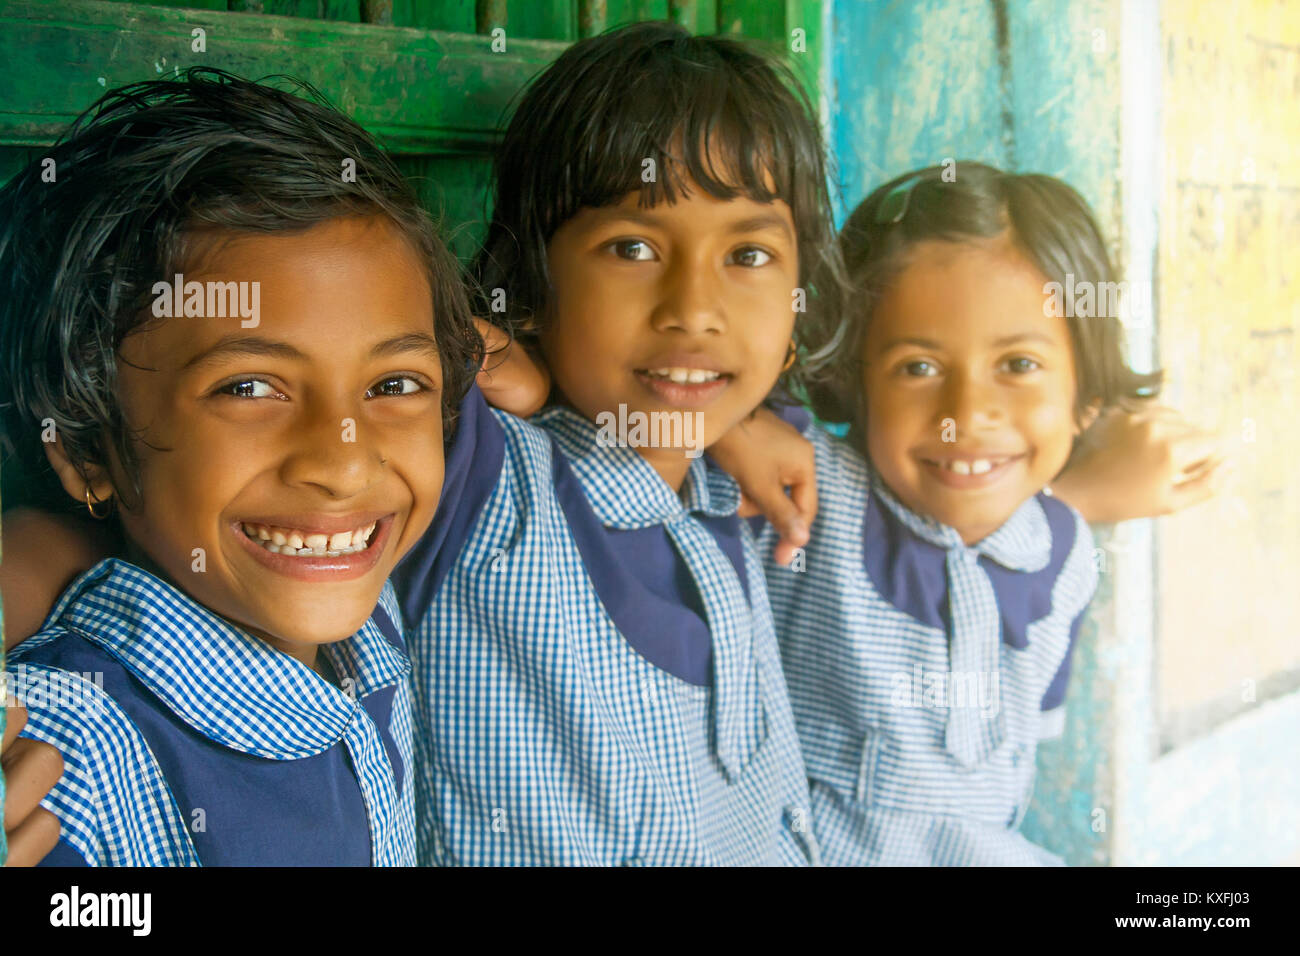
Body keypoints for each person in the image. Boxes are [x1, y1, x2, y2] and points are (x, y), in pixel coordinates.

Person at [0, 69, 484, 865]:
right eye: (249, 387)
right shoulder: (60, 771)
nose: (344, 462)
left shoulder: (370, 612)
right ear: (89, 449)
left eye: (393, 384)